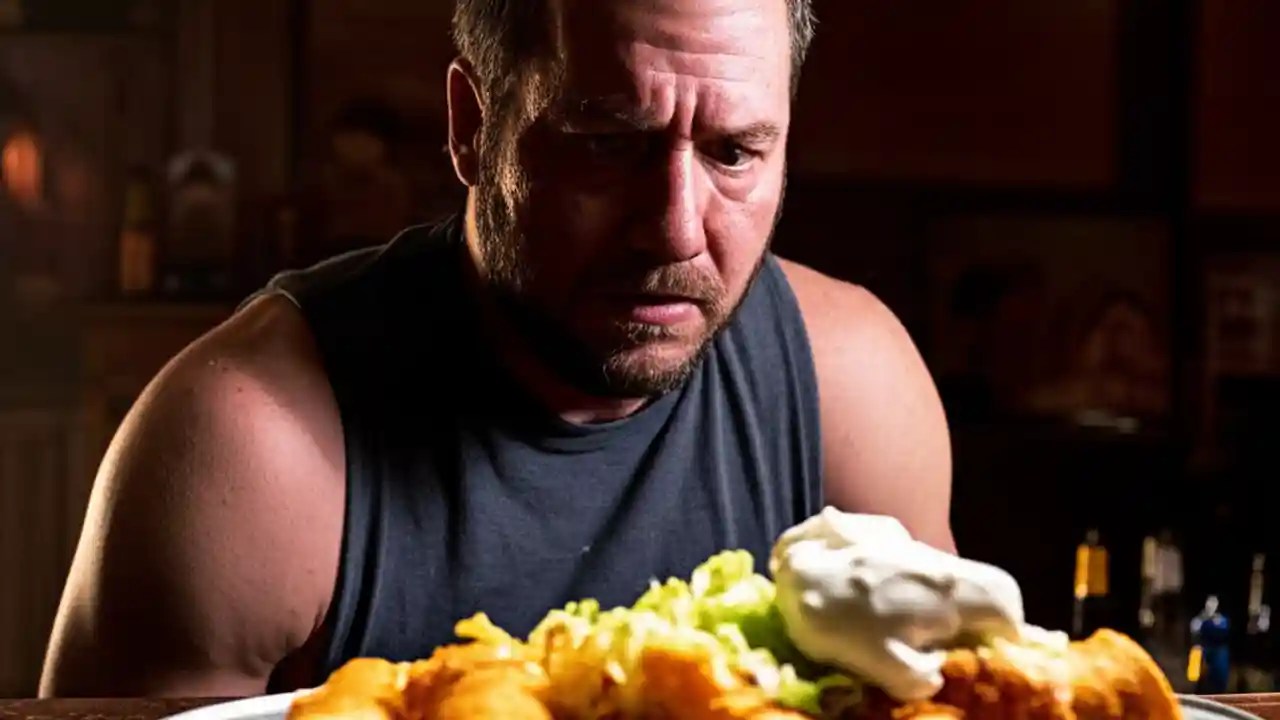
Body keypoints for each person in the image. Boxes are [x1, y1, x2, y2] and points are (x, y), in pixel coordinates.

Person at [40, 0, 953, 699]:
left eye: (734, 153)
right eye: (607, 143)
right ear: (473, 126)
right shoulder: (249, 443)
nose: (675, 230)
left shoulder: (851, 385)